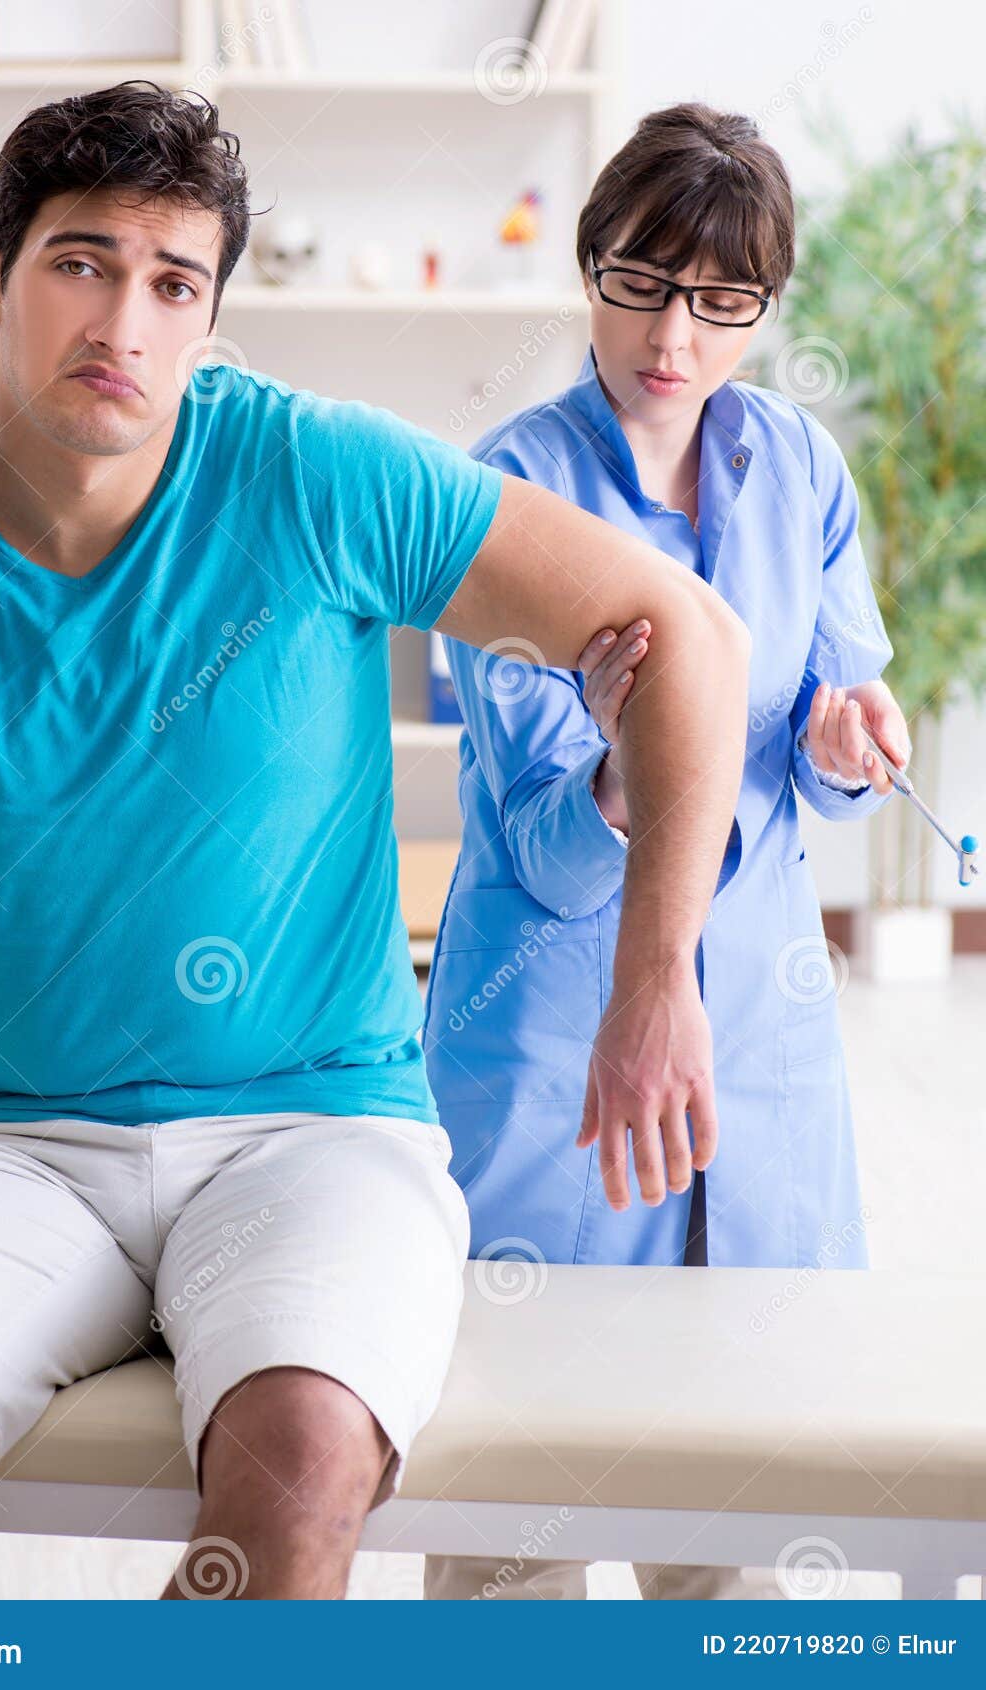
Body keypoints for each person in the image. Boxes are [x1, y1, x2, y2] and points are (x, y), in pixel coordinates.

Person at [0, 83, 751, 1599]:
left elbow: (688, 634)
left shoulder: (314, 470)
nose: (124, 323)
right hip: (12, 1142)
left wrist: (654, 975)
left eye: (174, 284)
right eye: (81, 263)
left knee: (296, 1460)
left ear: (210, 315)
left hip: (317, 1129)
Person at [421, 103, 910, 1602]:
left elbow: (824, 747)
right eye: (640, 281)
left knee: (740, 1517)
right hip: (563, 1035)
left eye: (720, 302)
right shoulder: (512, 486)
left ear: (762, 309)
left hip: (757, 1038)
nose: (673, 335)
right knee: (517, 1523)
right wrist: (627, 780)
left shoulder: (797, 468)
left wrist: (842, 751)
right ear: (590, 268)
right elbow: (546, 836)